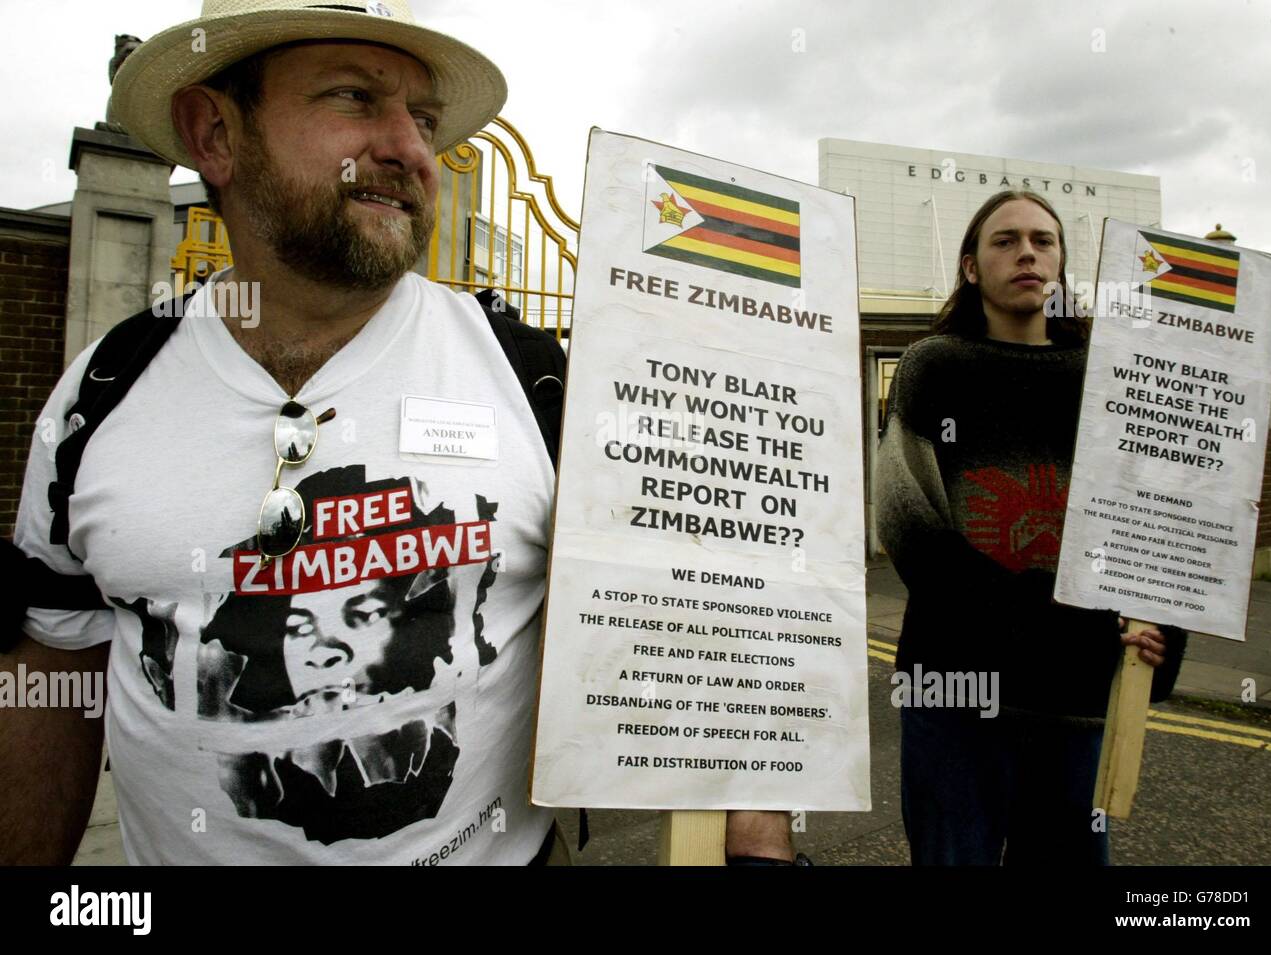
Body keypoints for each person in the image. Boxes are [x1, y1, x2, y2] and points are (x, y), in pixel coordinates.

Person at [1, 0, 794, 865]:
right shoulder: (104, 395)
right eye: (352, 98)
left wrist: (754, 832)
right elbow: (53, 674)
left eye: (421, 118)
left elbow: (695, 623)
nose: (413, 150)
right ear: (215, 134)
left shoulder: (536, 379)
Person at [877, 189, 1187, 866]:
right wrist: (1069, 621)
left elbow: (1160, 523)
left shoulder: (1108, 382)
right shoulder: (935, 366)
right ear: (969, 267)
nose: (1027, 252)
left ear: (1061, 265)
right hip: (954, 693)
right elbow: (909, 528)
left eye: (1044, 241)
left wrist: (1161, 629)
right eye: (1005, 239)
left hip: (1075, 697)